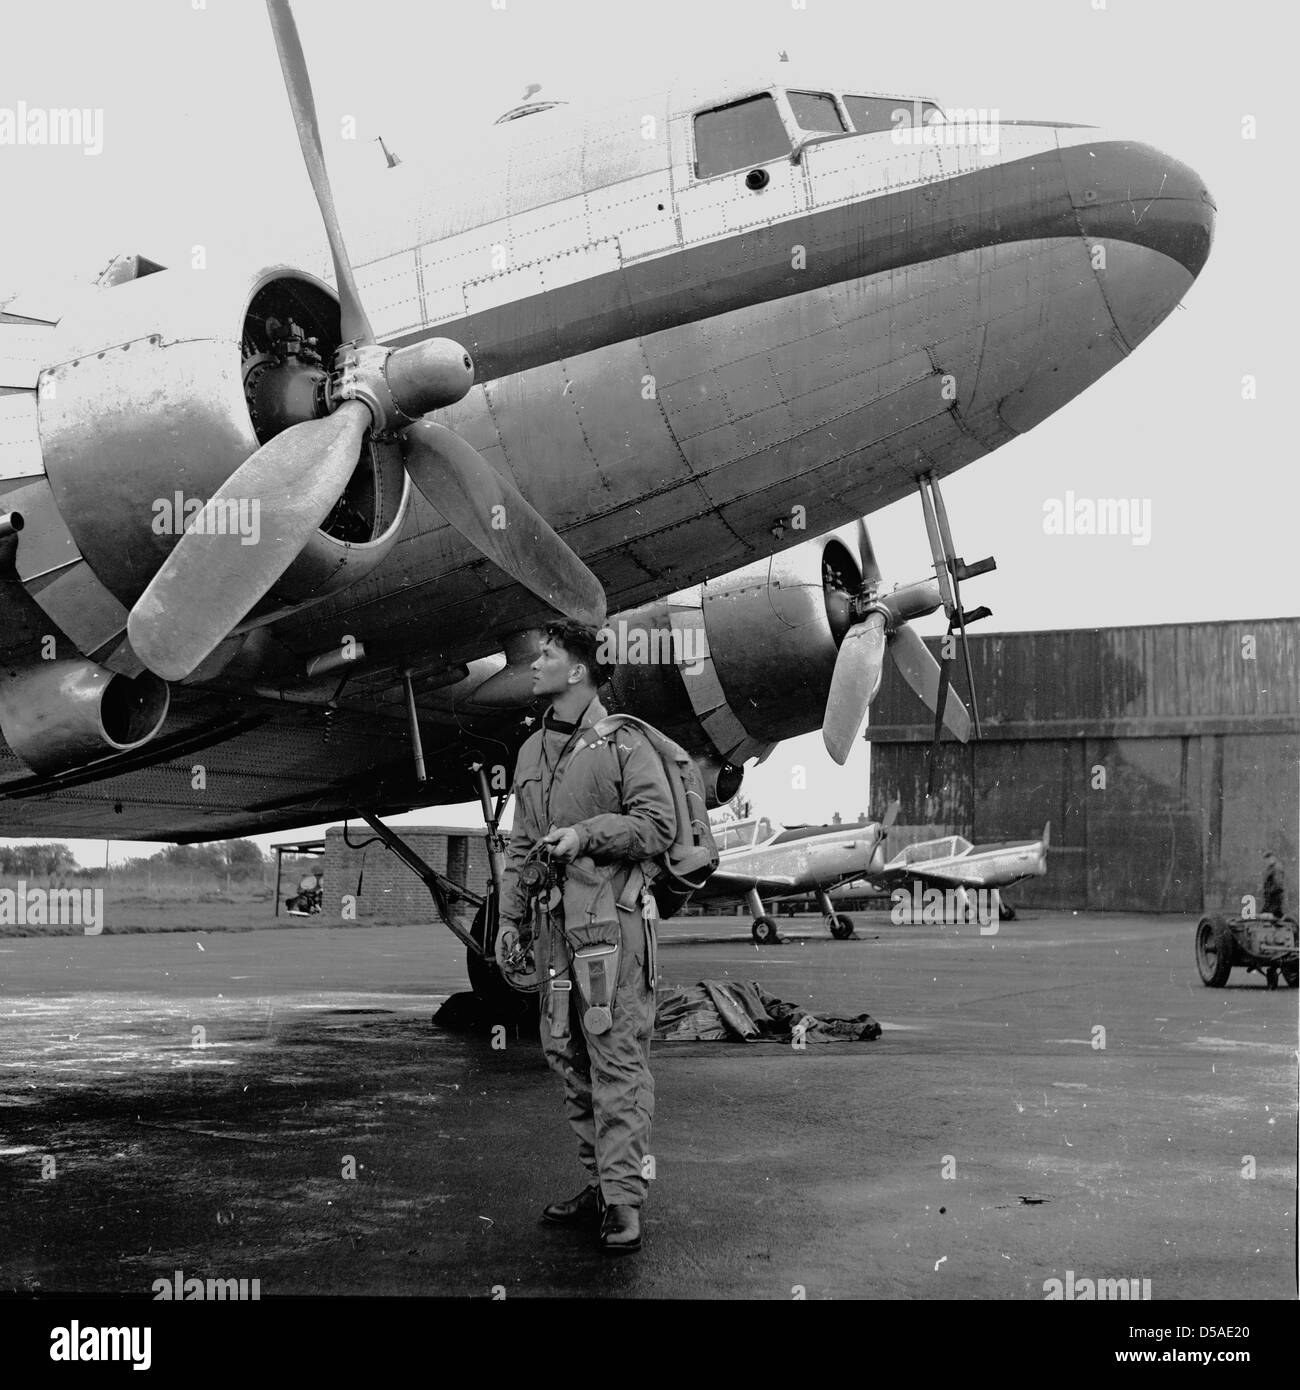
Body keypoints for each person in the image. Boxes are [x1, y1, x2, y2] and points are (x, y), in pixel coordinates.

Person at [496, 620, 675, 1254]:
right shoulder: (529, 752)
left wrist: (585, 835)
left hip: (611, 929)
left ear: (578, 671)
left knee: (615, 1056)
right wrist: (509, 921)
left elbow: (658, 827)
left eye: (546, 655)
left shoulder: (624, 744)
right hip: (551, 930)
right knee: (564, 1053)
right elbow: (520, 845)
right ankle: (599, 1185)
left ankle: (625, 1202)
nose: (535, 662)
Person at [1261, 850, 1285, 918]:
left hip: (1274, 896)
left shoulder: (1277, 867)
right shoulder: (1271, 867)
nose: (1267, 861)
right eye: (1266, 859)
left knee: (1268, 915)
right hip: (1271, 897)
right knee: (1275, 915)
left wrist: (1270, 891)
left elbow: (1278, 883)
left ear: (1273, 857)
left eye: (1269, 858)